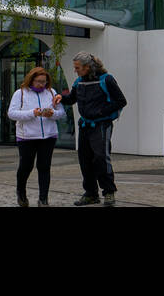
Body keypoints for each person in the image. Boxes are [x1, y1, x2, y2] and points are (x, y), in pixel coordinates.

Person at [53, 52, 126, 207]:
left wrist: (100, 112)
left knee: (100, 158)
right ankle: (91, 194)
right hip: (84, 125)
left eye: (77, 67)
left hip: (101, 125)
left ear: (87, 67)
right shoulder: (79, 81)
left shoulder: (106, 79)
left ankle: (109, 192)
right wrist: (61, 98)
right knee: (84, 160)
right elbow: (72, 98)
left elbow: (121, 101)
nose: (75, 70)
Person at [7, 66, 65, 207]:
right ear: (31, 80)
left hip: (48, 136)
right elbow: (12, 113)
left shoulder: (51, 92)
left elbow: (62, 113)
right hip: (27, 137)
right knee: (26, 167)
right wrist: (32, 113)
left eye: (44, 81)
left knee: (44, 167)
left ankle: (43, 199)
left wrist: (52, 114)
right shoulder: (20, 93)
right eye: (38, 81)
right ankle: (21, 192)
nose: (41, 84)